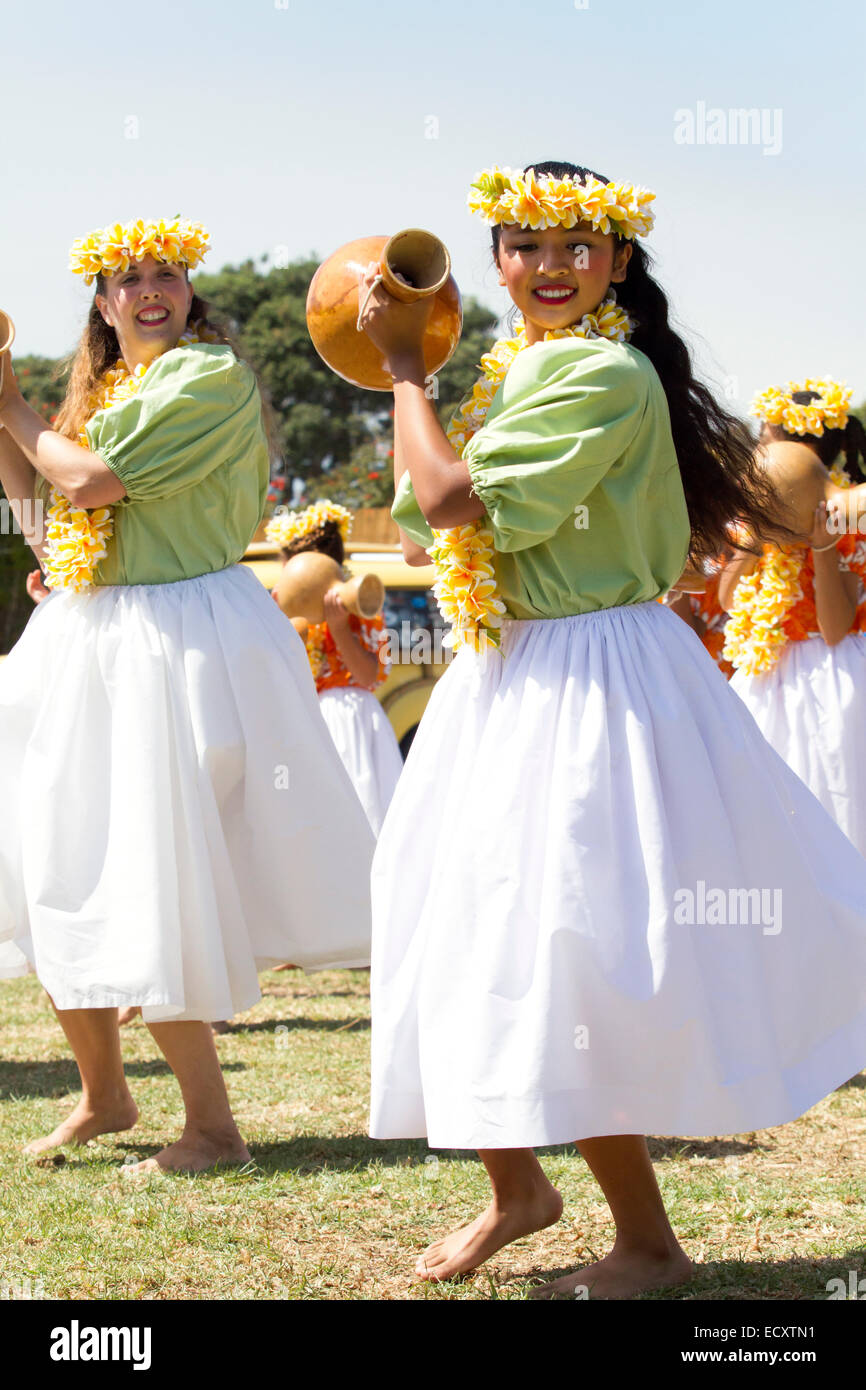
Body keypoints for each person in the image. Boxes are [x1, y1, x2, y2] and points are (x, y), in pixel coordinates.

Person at [358, 162, 866, 1298]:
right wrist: (416, 380)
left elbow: (447, 501)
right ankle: (516, 1189)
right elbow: (437, 517)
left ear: (619, 260)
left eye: (578, 245)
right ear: (496, 263)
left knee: (572, 947)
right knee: (451, 916)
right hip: (509, 669)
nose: (552, 266)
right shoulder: (523, 369)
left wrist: (402, 370)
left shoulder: (601, 370)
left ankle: (646, 1242)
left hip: (588, 678)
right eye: (527, 246)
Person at [0, 217, 374, 1173]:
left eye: (165, 272)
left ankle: (211, 1127)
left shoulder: (208, 376)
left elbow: (90, 482)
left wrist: (14, 407)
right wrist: (2, 417)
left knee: (150, 872)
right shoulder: (103, 394)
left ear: (189, 290)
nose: (149, 289)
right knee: (54, 856)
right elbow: (47, 519)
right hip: (91, 629)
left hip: (174, 636)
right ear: (103, 302)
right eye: (127, 278)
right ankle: (104, 1095)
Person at [720, 380, 866, 851]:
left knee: (833, 798)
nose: (758, 450)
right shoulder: (758, 521)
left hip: (831, 677)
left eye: (765, 438)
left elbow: (834, 629)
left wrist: (821, 547)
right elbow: (728, 601)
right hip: (765, 675)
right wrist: (756, 539)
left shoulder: (848, 519)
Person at [267, 500, 404, 835]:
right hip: (308, 714)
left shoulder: (359, 604)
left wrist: (339, 627)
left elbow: (369, 677)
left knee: (360, 815)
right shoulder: (285, 608)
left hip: (349, 717)